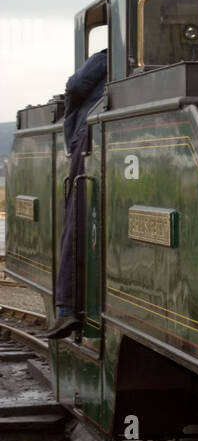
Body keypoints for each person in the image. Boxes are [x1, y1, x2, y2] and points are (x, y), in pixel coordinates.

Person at [44, 49, 108, 339]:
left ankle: (67, 307)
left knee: (76, 220)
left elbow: (76, 86)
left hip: (91, 133)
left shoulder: (107, 55)